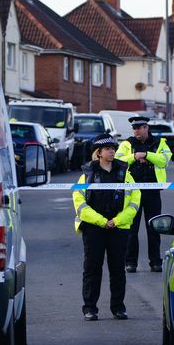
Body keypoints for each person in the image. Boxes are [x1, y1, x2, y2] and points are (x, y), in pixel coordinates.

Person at [72, 133, 141, 321]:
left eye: (114, 148)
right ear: (99, 153)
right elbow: (80, 204)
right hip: (94, 227)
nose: (112, 151)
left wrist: (116, 221)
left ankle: (118, 307)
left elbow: (135, 201)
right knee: (92, 268)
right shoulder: (86, 175)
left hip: (118, 227)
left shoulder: (125, 173)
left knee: (117, 268)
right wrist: (102, 221)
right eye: (108, 149)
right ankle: (90, 308)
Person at [115, 115, 172, 273]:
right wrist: (134, 156)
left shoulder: (160, 143)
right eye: (134, 128)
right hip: (132, 192)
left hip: (152, 191)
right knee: (131, 229)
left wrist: (147, 155)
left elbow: (164, 160)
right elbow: (118, 161)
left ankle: (155, 262)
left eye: (139, 128)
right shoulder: (127, 144)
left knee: (154, 227)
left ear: (146, 128)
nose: (136, 131)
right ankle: (130, 262)